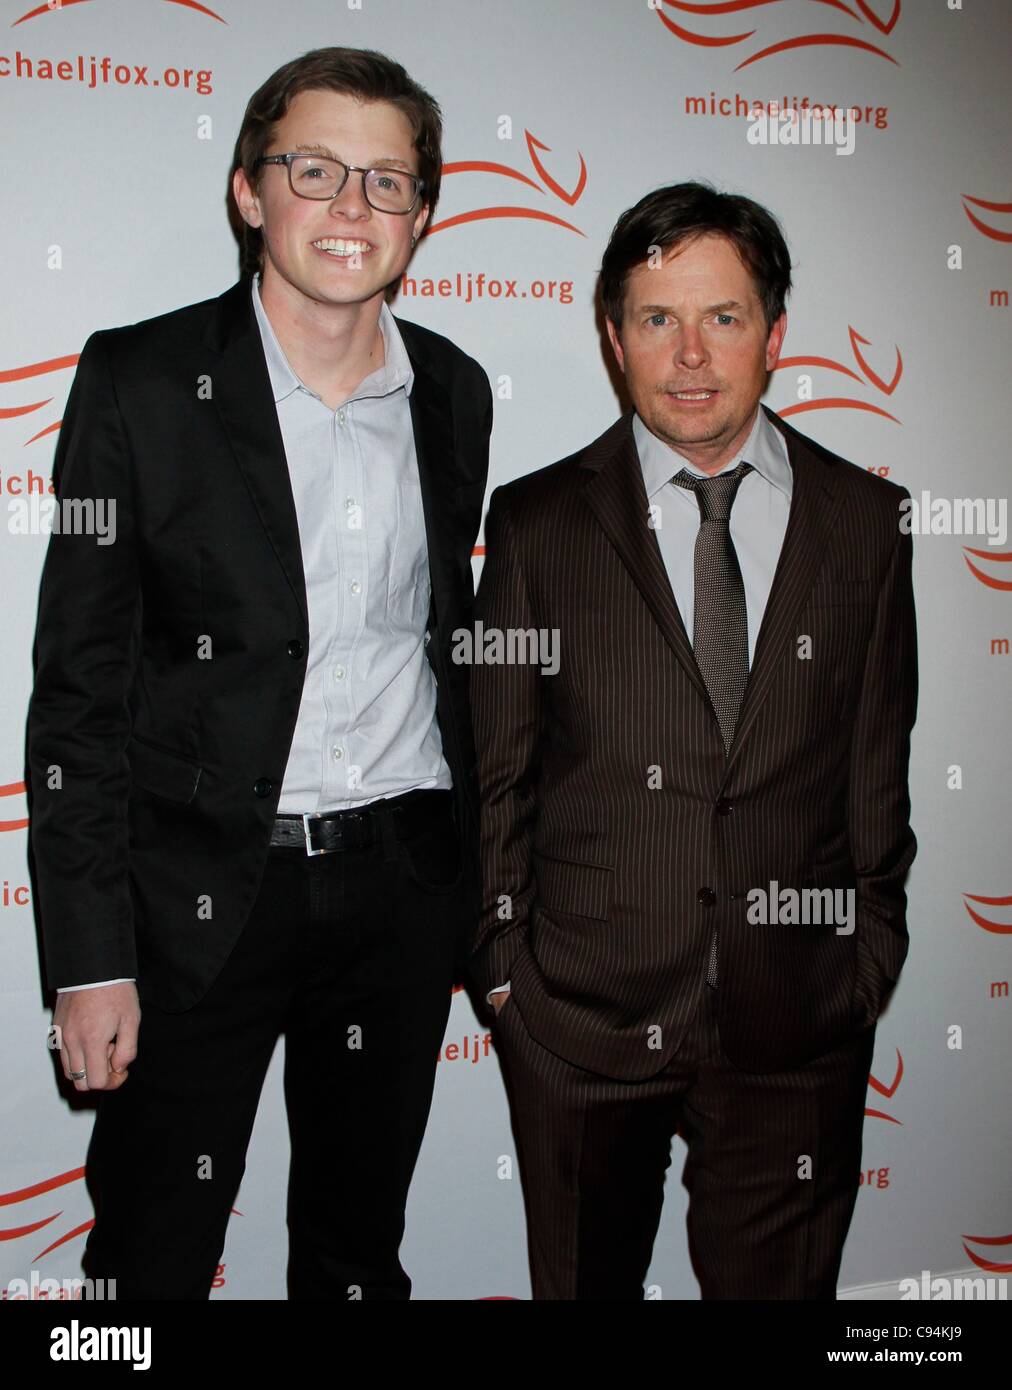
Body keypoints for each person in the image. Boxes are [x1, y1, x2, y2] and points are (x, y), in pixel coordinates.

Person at [27, 46, 491, 1300]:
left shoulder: (452, 392)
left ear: (424, 216)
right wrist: (87, 956)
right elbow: (78, 690)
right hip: (196, 905)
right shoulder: (137, 381)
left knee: (355, 1257)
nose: (352, 206)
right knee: (146, 1264)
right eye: (316, 169)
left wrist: (470, 892)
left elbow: (442, 646)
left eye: (387, 180)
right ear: (249, 191)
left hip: (398, 892)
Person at [469, 182, 917, 1299]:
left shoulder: (863, 521)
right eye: (657, 319)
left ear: (773, 333)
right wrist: (504, 979)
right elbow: (498, 772)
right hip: (580, 1024)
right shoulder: (533, 524)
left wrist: (863, 965)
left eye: (720, 317)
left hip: (796, 1021)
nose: (690, 356)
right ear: (613, 338)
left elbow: (875, 767)